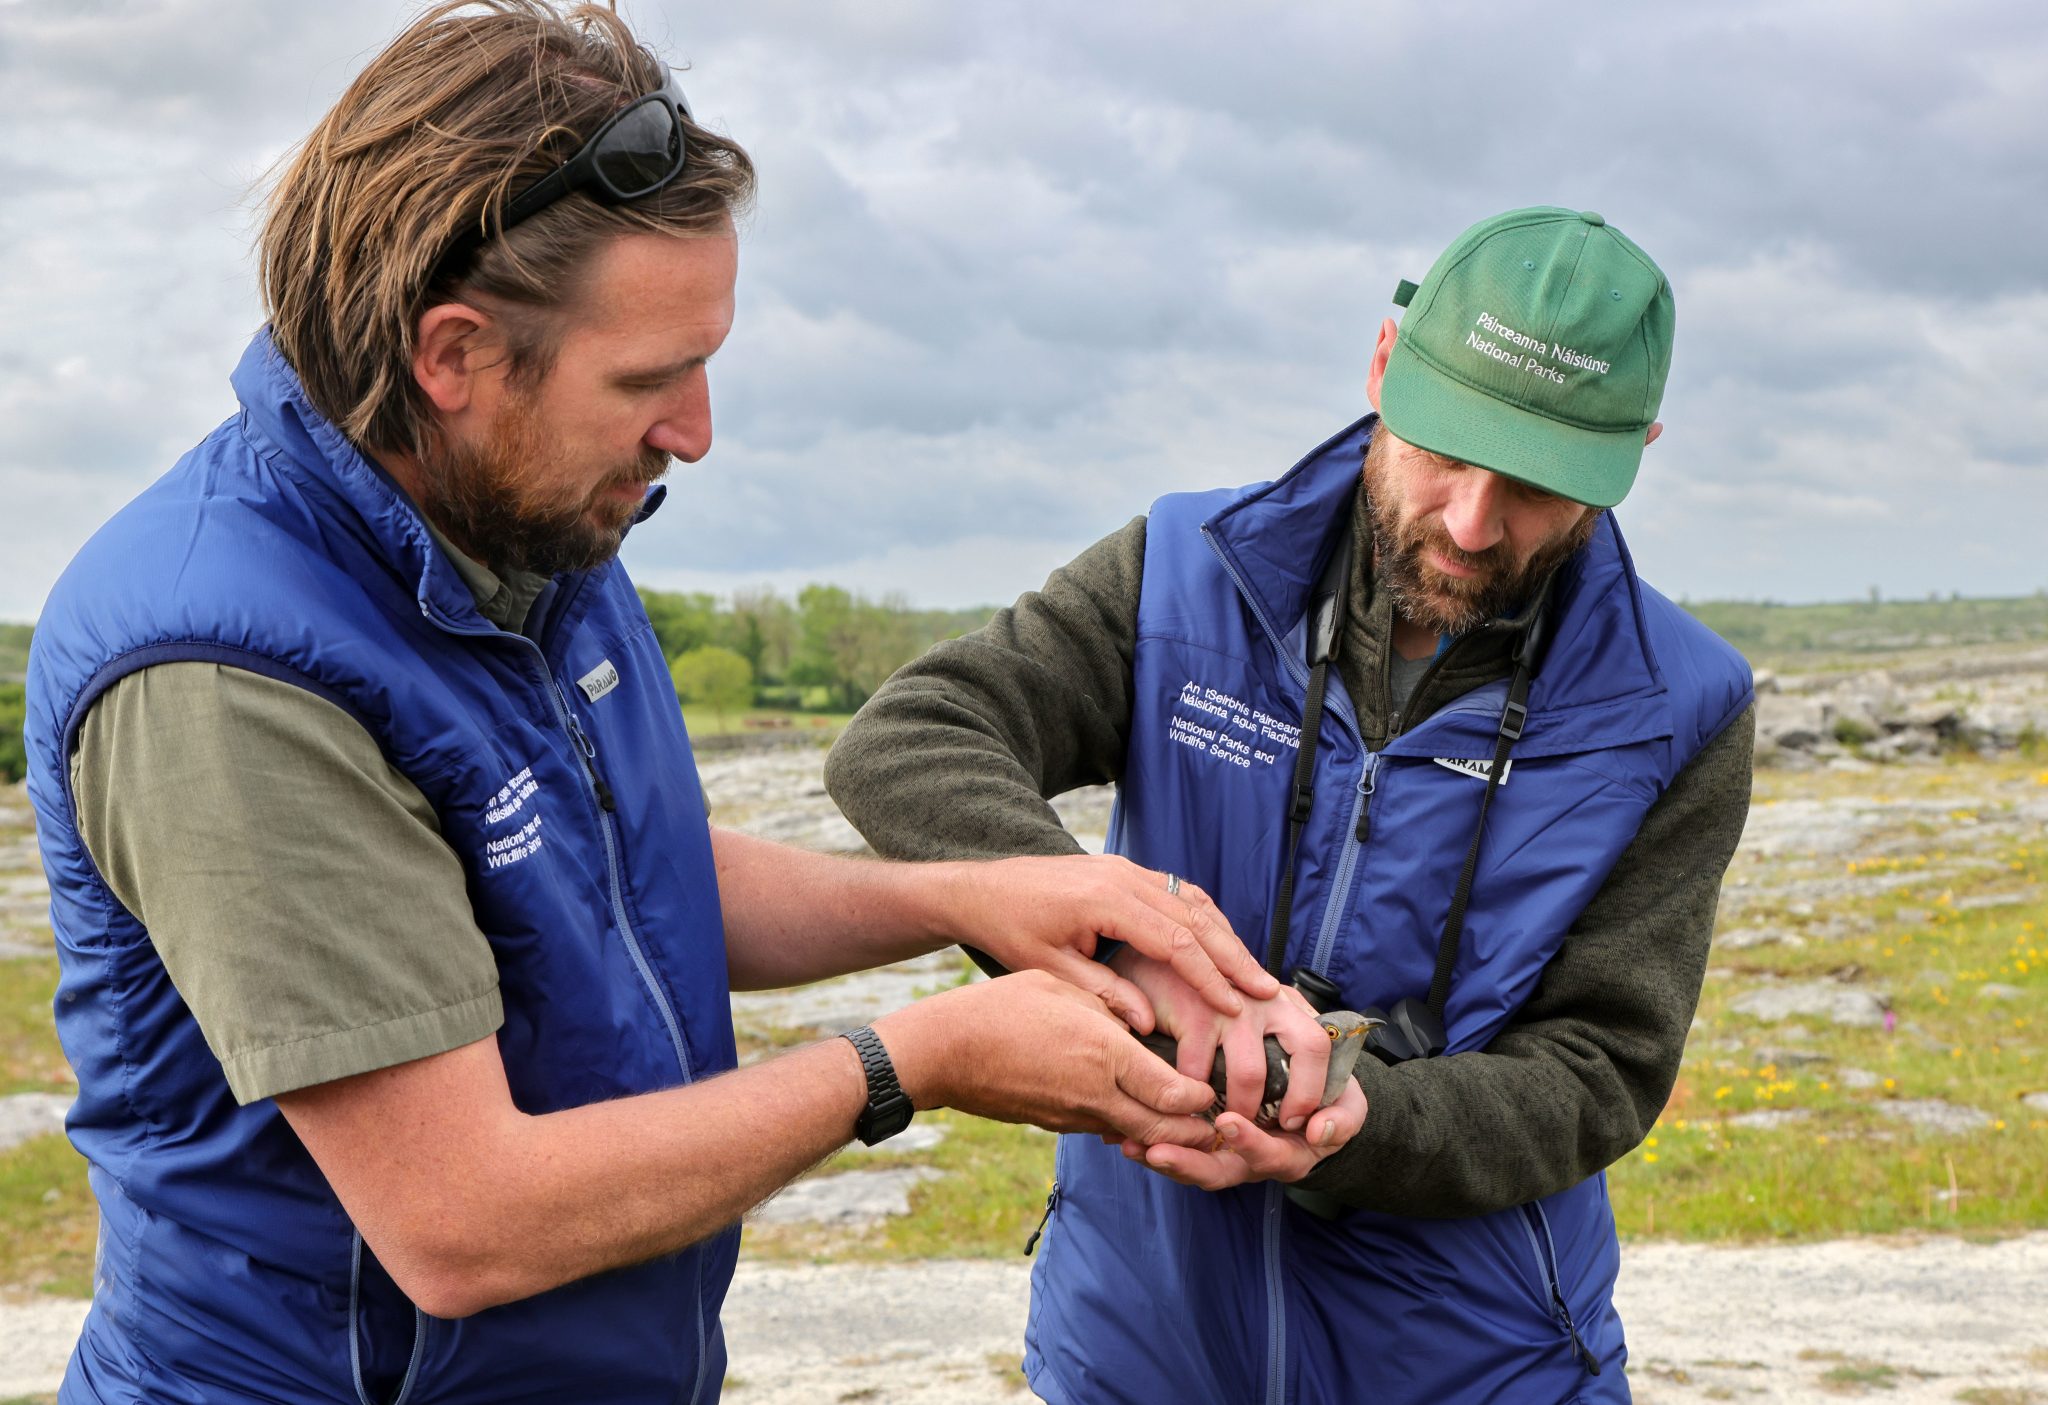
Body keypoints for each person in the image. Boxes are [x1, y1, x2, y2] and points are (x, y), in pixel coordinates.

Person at [19, 5, 1329, 1402]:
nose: (694, 432)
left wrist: (966, 895)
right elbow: (463, 1220)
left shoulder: (525, 521)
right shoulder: (227, 675)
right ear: (450, 356)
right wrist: (914, 1060)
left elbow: (621, 880)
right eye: (648, 379)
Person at [827, 205, 1758, 1404]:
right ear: (1383, 369)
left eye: (1534, 484)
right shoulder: (1185, 568)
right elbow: (908, 737)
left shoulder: (1676, 705)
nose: (1472, 522)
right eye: (1444, 450)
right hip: (1140, 1340)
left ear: (1633, 449)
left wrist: (1359, 1121)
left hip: (1477, 1363)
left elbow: (1599, 1069)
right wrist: (1128, 950)